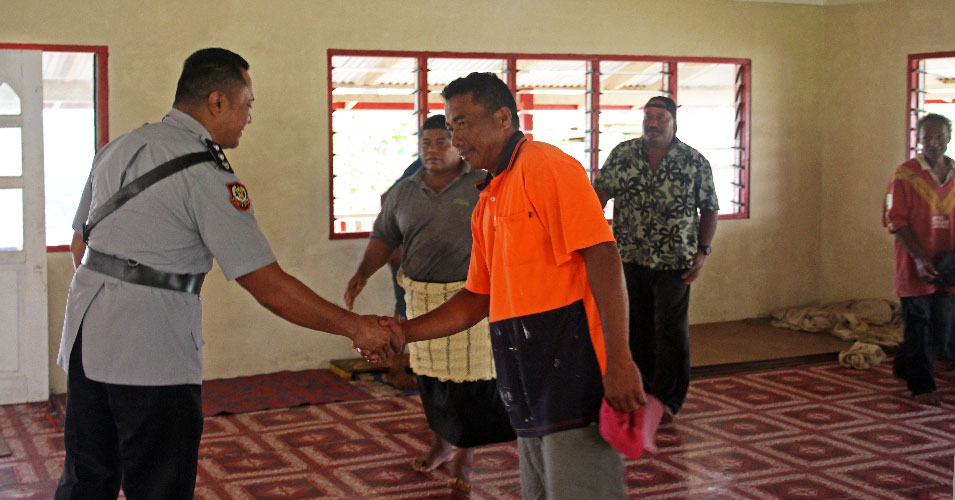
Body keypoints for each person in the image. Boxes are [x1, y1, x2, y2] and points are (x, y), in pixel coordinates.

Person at [54, 48, 398, 500]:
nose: (249, 117)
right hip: (151, 351)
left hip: (84, 338)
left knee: (86, 477)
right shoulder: (206, 174)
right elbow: (267, 285)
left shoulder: (118, 148)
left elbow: (81, 245)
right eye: (247, 104)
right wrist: (355, 326)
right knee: (159, 485)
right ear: (217, 101)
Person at [379, 72, 646, 500]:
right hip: (527, 381)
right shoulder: (490, 198)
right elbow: (475, 298)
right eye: (450, 127)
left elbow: (603, 255)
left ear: (504, 118)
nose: (455, 139)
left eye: (463, 123)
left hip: (574, 375)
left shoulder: (545, 166)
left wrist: (620, 360)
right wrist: (403, 333)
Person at [345, 114, 514, 493]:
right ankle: (441, 443)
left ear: (458, 144)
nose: (433, 150)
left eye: (442, 142)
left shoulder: (482, 183)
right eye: (426, 143)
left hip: (471, 300)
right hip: (420, 298)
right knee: (431, 379)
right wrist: (362, 273)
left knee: (471, 383)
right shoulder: (405, 191)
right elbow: (384, 236)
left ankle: (465, 455)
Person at [593, 96, 719, 423]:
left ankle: (668, 401)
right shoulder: (623, 155)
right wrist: (592, 240)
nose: (652, 123)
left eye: (660, 117)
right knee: (635, 329)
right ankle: (640, 392)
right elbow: (598, 196)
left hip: (675, 262)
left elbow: (709, 209)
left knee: (670, 331)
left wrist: (703, 251)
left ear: (674, 122)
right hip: (629, 258)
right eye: (648, 116)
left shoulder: (693, 161)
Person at [883, 113, 955, 406]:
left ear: (949, 138)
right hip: (914, 263)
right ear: (919, 139)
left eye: (940, 137)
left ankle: (905, 363)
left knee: (943, 323)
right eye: (928, 138)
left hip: (948, 264)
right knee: (918, 321)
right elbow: (894, 220)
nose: (934, 143)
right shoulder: (904, 175)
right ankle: (921, 384)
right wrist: (919, 258)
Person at [377, 158, 422, 389]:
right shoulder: (425, 165)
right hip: (409, 251)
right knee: (404, 308)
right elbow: (387, 197)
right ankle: (396, 369)